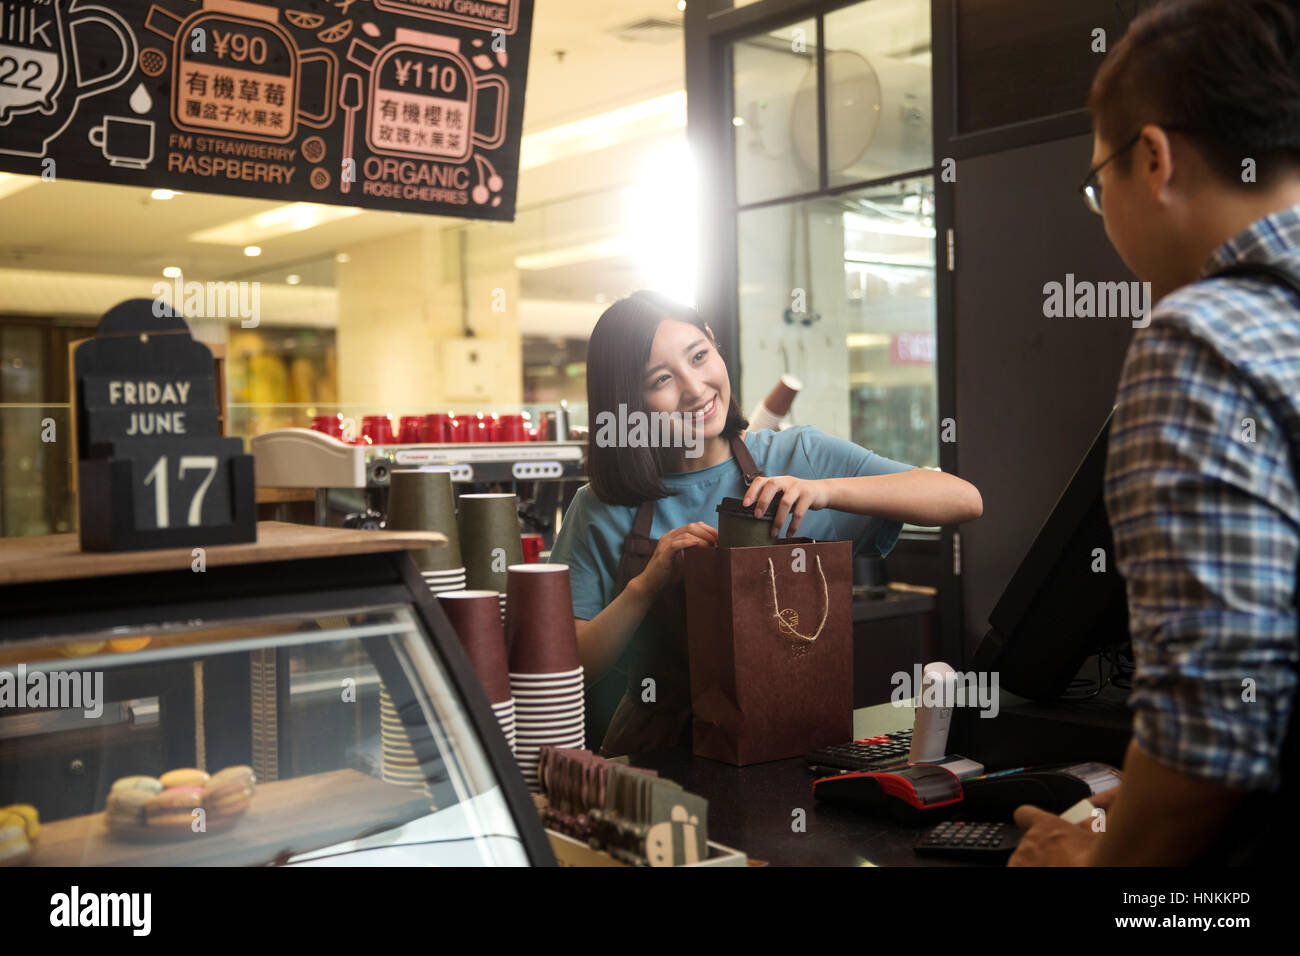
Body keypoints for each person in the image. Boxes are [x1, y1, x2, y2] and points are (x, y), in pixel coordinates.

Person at [1010, 0, 1300, 865]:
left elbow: (1216, 724)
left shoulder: (1199, 340)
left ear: (1152, 158)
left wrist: (1102, 869)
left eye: (1101, 183)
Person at [549, 290, 983, 756]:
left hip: (801, 742)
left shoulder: (800, 456)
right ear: (627, 399)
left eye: (699, 356)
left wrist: (826, 491)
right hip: (658, 757)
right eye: (661, 380)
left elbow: (962, 499)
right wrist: (645, 586)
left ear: (715, 345)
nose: (695, 388)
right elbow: (570, 668)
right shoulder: (599, 507)